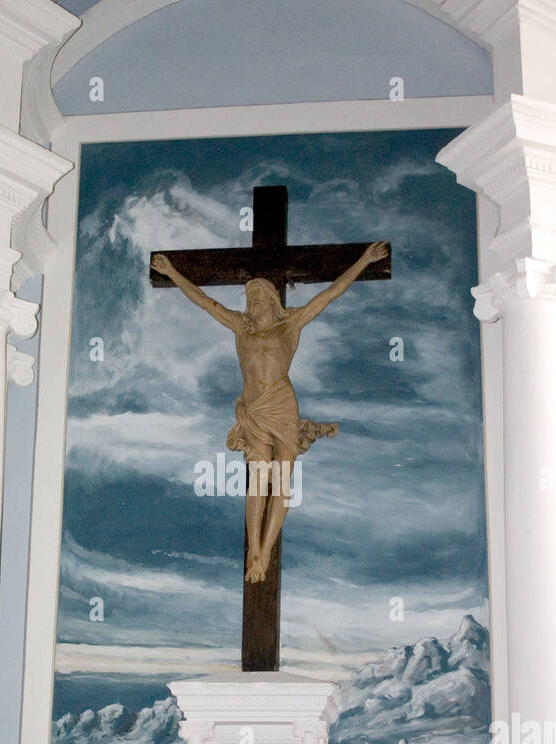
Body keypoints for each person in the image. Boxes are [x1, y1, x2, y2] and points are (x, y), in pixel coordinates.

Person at [151, 241, 389, 581]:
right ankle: (256, 550)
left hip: (281, 404)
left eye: (259, 295)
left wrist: (364, 260)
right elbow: (206, 302)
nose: (253, 301)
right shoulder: (239, 327)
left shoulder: (289, 326)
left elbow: (331, 293)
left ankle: (267, 547)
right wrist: (172, 272)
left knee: (281, 483)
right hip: (253, 408)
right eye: (249, 297)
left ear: (272, 299)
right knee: (256, 483)